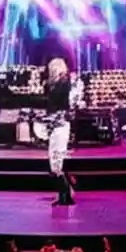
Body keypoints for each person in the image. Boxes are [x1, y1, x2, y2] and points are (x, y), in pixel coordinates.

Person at [44, 57, 80, 206]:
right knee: (54, 160)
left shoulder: (65, 83)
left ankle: (65, 195)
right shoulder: (52, 84)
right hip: (54, 123)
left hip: (60, 124)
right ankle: (65, 193)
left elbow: (64, 102)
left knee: (57, 161)